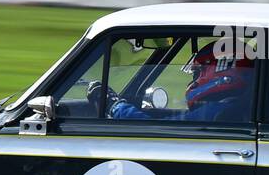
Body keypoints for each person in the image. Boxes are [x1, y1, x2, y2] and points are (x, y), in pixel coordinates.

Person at [108, 42, 253, 122]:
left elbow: (158, 129)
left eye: (197, 73)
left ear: (221, 69)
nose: (194, 81)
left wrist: (116, 106)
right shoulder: (242, 107)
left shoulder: (217, 111)